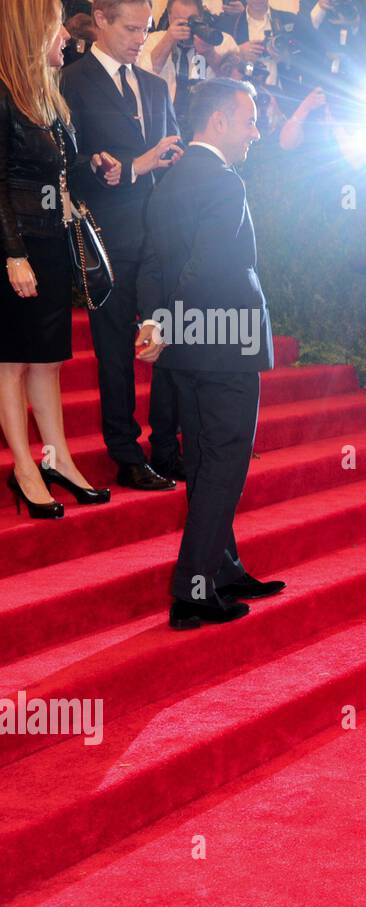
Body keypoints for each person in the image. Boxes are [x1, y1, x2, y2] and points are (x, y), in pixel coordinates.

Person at [135, 77, 282, 629]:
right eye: (248, 120)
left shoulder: (168, 181)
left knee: (203, 461)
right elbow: (210, 265)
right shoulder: (223, 183)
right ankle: (194, 590)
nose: (255, 131)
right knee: (223, 464)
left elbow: (151, 263)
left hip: (187, 350)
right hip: (225, 343)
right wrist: (169, 321)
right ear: (218, 121)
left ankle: (222, 569)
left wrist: (155, 321)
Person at [2, 0, 120, 519]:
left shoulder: (49, 97)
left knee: (48, 361)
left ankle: (58, 459)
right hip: (18, 247)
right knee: (11, 361)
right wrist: (11, 254)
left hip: (52, 243)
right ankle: (25, 468)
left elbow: (63, 174)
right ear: (31, 35)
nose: (68, 40)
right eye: (57, 31)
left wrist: (96, 163)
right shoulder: (4, 96)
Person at [61, 0, 185, 490]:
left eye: (146, 28)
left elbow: (171, 149)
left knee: (169, 341)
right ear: (101, 21)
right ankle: (126, 454)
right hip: (107, 242)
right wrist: (130, 166)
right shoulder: (72, 81)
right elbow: (66, 166)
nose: (140, 38)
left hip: (163, 239)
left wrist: (172, 159)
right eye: (131, 29)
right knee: (115, 353)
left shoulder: (154, 85)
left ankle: (168, 447)